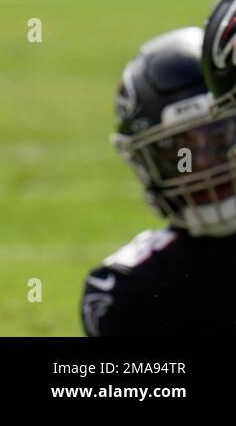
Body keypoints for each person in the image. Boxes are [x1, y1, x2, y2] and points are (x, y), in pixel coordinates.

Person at [81, 22, 236, 336]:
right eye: (183, 150)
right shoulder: (131, 291)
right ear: (145, 163)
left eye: (221, 139)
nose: (205, 165)